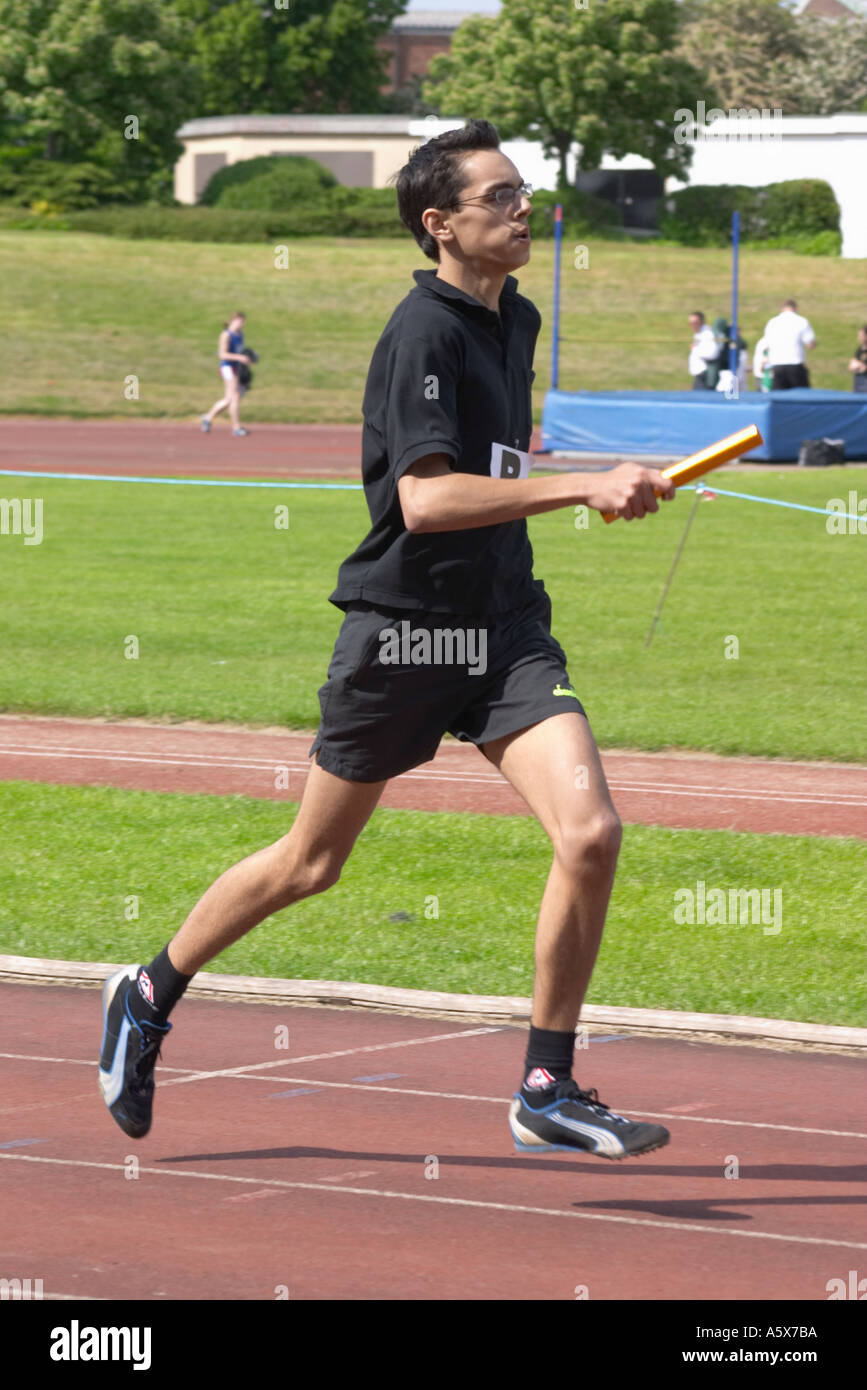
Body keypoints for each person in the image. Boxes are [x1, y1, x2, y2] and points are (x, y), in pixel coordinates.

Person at [98, 118, 675, 1162]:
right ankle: (148, 989)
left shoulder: (520, 317)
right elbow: (426, 497)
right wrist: (583, 485)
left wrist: (600, 486)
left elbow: (497, 469)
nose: (522, 207)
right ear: (438, 223)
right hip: (404, 637)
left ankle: (546, 1081)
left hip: (505, 631)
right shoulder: (424, 332)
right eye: (497, 196)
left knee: (590, 834)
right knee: (312, 862)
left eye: (522, 191)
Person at [201, 311, 252, 436]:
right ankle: (236, 428)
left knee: (230, 399)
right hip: (227, 367)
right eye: (240, 321)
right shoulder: (226, 335)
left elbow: (239, 350)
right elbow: (222, 355)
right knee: (233, 397)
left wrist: (245, 359)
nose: (242, 324)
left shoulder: (240, 334)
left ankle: (208, 418)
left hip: (236, 367)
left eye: (243, 322)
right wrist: (239, 358)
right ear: (233, 321)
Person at [762, 299, 816, 389]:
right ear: (795, 308)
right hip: (795, 364)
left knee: (779, 397)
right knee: (800, 396)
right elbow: (810, 344)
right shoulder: (801, 321)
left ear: (782, 308)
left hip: (777, 364)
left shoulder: (772, 322)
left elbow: (766, 345)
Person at [687, 311, 720, 390]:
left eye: (695, 323)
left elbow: (712, 353)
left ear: (702, 322)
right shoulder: (699, 334)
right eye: (690, 323)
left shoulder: (707, 334)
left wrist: (695, 349)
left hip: (705, 374)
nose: (693, 326)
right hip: (700, 373)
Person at [848, 324, 867, 393]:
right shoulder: (859, 350)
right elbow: (851, 366)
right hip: (858, 381)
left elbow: (864, 368)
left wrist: (859, 365)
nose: (859, 338)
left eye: (861, 336)